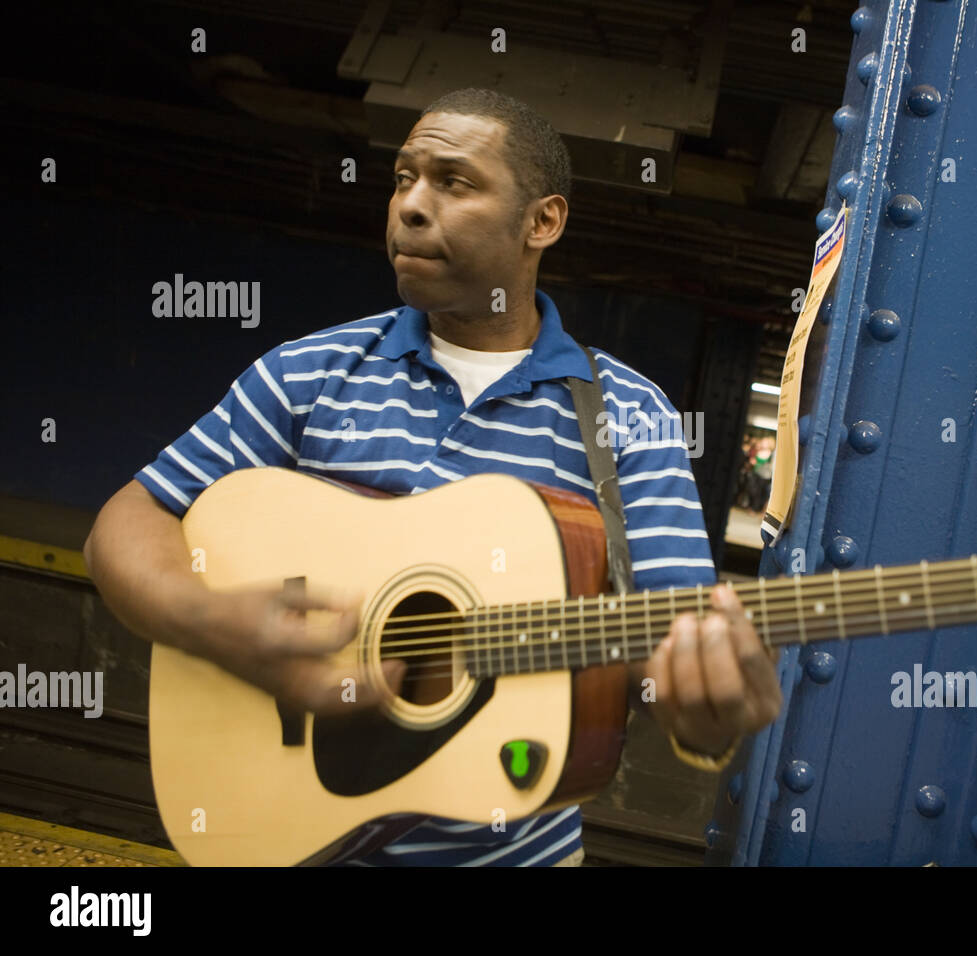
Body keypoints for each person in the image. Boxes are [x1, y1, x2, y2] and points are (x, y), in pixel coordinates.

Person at [81, 88, 783, 866]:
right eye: (403, 177)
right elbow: (130, 519)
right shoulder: (309, 374)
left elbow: (668, 652)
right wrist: (213, 624)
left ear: (541, 222)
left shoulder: (628, 413)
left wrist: (703, 713)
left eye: (453, 182)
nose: (410, 206)